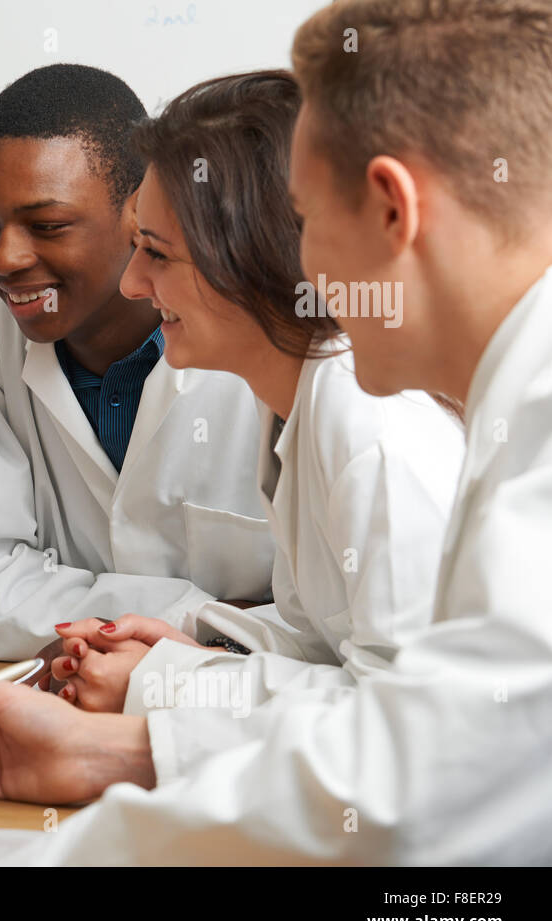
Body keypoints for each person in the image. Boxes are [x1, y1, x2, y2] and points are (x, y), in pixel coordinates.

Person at [0, 0, 552, 864]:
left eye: (305, 214)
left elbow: (412, 775)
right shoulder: (484, 405)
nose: (303, 262)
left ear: (391, 210)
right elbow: (391, 705)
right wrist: (177, 680)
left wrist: (104, 785)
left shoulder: (413, 423)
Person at [49, 71, 465, 721]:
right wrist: (188, 649)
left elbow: (406, 719)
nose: (131, 284)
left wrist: (165, 684)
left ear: (250, 257)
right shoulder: (303, 401)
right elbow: (332, 645)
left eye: (155, 253)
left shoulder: (369, 422)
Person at [0, 64, 275, 662]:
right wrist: (203, 621)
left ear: (141, 210)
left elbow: (328, 617)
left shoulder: (259, 331)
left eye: (47, 225)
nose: (4, 259)